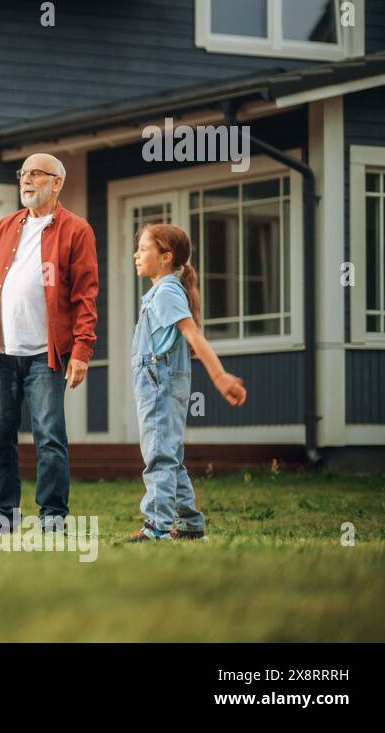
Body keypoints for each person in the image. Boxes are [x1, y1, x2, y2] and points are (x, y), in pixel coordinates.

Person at [0, 153, 98, 534]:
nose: (27, 180)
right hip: (0, 354)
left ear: (57, 183)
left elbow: (86, 295)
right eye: (23, 174)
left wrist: (82, 350)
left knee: (50, 438)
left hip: (45, 356)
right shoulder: (4, 226)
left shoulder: (76, 230)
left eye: (36, 174)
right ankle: (3, 517)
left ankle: (52, 517)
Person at [127, 223, 247, 542]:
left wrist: (220, 376)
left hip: (159, 384)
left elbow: (192, 333)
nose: (135, 254)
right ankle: (191, 525)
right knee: (169, 454)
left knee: (158, 454)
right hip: (161, 382)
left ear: (166, 256)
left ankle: (157, 526)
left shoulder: (166, 291)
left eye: (143, 249)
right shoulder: (161, 291)